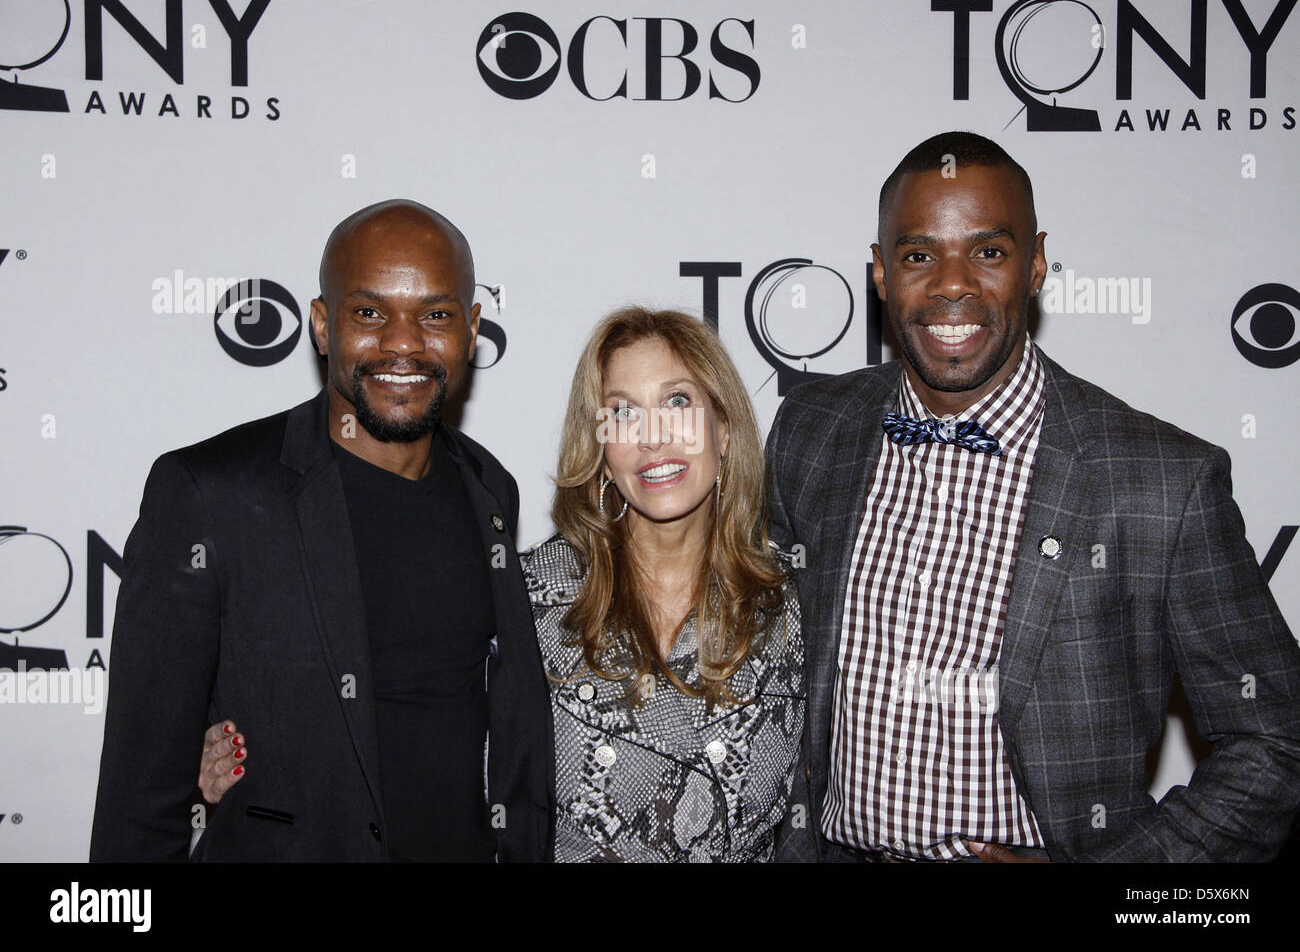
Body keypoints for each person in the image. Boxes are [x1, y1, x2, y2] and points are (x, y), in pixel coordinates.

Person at [768, 131, 1300, 863]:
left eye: (988, 252)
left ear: (1038, 263)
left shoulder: (1159, 483)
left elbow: (1276, 737)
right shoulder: (811, 431)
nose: (953, 284)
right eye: (919, 254)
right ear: (881, 274)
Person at [202, 308, 806, 861]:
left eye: (677, 402)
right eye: (622, 411)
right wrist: (239, 744)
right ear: (600, 446)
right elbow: (396, 716)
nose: (652, 436)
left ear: (724, 430)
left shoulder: (794, 599)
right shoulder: (529, 596)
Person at [91, 200, 554, 862]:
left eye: (436, 314)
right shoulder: (210, 492)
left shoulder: (489, 488)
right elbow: (141, 793)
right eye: (369, 313)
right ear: (321, 324)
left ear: (471, 329)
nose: (402, 342)